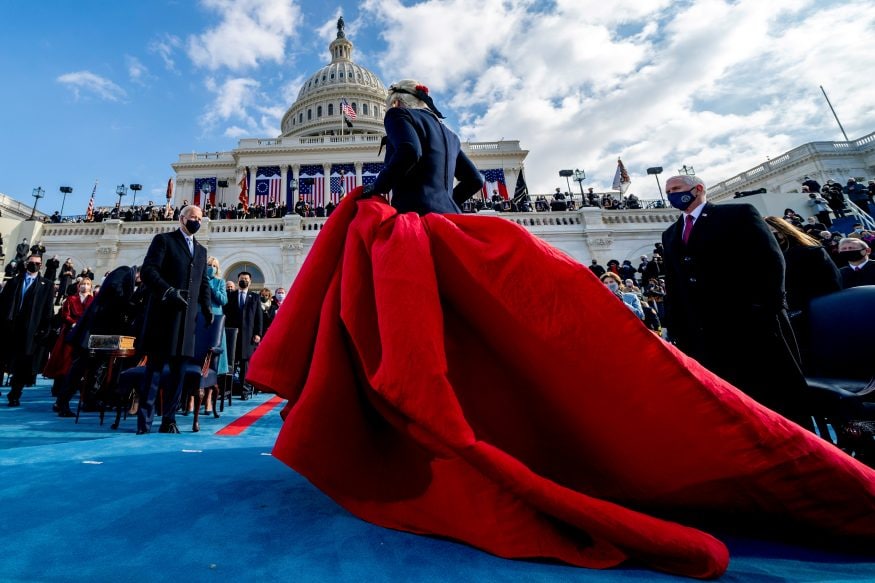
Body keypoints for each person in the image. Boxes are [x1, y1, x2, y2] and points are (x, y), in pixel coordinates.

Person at [246, 85, 875, 579]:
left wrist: (372, 191)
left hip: (409, 231)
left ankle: (408, 438)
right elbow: (470, 182)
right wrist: (451, 207)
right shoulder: (449, 129)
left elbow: (404, 159)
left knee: (395, 330)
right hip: (451, 223)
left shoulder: (398, 119)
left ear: (397, 99)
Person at [661, 174, 809, 427]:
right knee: (732, 398)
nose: (672, 195)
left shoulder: (737, 214)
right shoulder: (671, 233)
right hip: (706, 332)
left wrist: (766, 308)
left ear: (698, 189)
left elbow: (770, 260)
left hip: (751, 322)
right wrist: (675, 326)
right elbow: (674, 284)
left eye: (676, 188)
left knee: (774, 392)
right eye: (668, 192)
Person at [137, 205, 212, 434]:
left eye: (200, 218)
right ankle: (144, 422)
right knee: (155, 370)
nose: (197, 221)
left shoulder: (201, 250)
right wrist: (168, 291)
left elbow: (203, 281)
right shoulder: (164, 240)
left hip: (187, 321)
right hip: (163, 316)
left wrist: (207, 305)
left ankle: (169, 420)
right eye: (193, 217)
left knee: (179, 373)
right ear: (181, 219)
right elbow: (149, 271)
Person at [362, 79, 484, 213]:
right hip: (451, 216)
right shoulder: (451, 136)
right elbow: (475, 179)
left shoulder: (397, 113)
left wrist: (378, 186)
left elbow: (410, 150)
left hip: (415, 215)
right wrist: (448, 202)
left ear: (396, 102)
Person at [0, 253, 54, 407]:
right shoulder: (14, 282)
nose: (34, 265)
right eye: (31, 262)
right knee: (3, 359)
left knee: (22, 364)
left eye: (37, 263)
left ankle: (15, 394)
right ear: (26, 264)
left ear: (41, 265)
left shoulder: (47, 285)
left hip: (30, 330)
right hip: (9, 327)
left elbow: (48, 309)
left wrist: (44, 329)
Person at [186, 256, 228, 418]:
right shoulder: (196, 281)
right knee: (195, 359)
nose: (211, 267)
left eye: (214, 265)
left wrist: (210, 286)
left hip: (215, 323)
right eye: (209, 265)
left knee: (212, 361)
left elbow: (223, 300)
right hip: (198, 320)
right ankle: (190, 399)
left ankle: (209, 399)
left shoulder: (220, 282)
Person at [43, 277, 94, 399]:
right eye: (83, 284)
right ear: (78, 286)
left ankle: (73, 387)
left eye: (88, 284)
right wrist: (74, 323)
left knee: (79, 362)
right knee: (64, 361)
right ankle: (58, 387)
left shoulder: (93, 300)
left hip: (85, 334)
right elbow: (65, 315)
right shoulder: (71, 299)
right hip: (69, 332)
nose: (85, 286)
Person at [222, 271, 262, 400]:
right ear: (237, 280)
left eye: (246, 278)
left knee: (245, 363)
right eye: (241, 278)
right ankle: (227, 390)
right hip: (232, 335)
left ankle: (244, 391)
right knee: (231, 362)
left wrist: (258, 333)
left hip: (248, 336)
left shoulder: (254, 297)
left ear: (250, 281)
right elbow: (226, 314)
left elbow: (258, 317)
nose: (243, 280)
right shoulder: (231, 295)